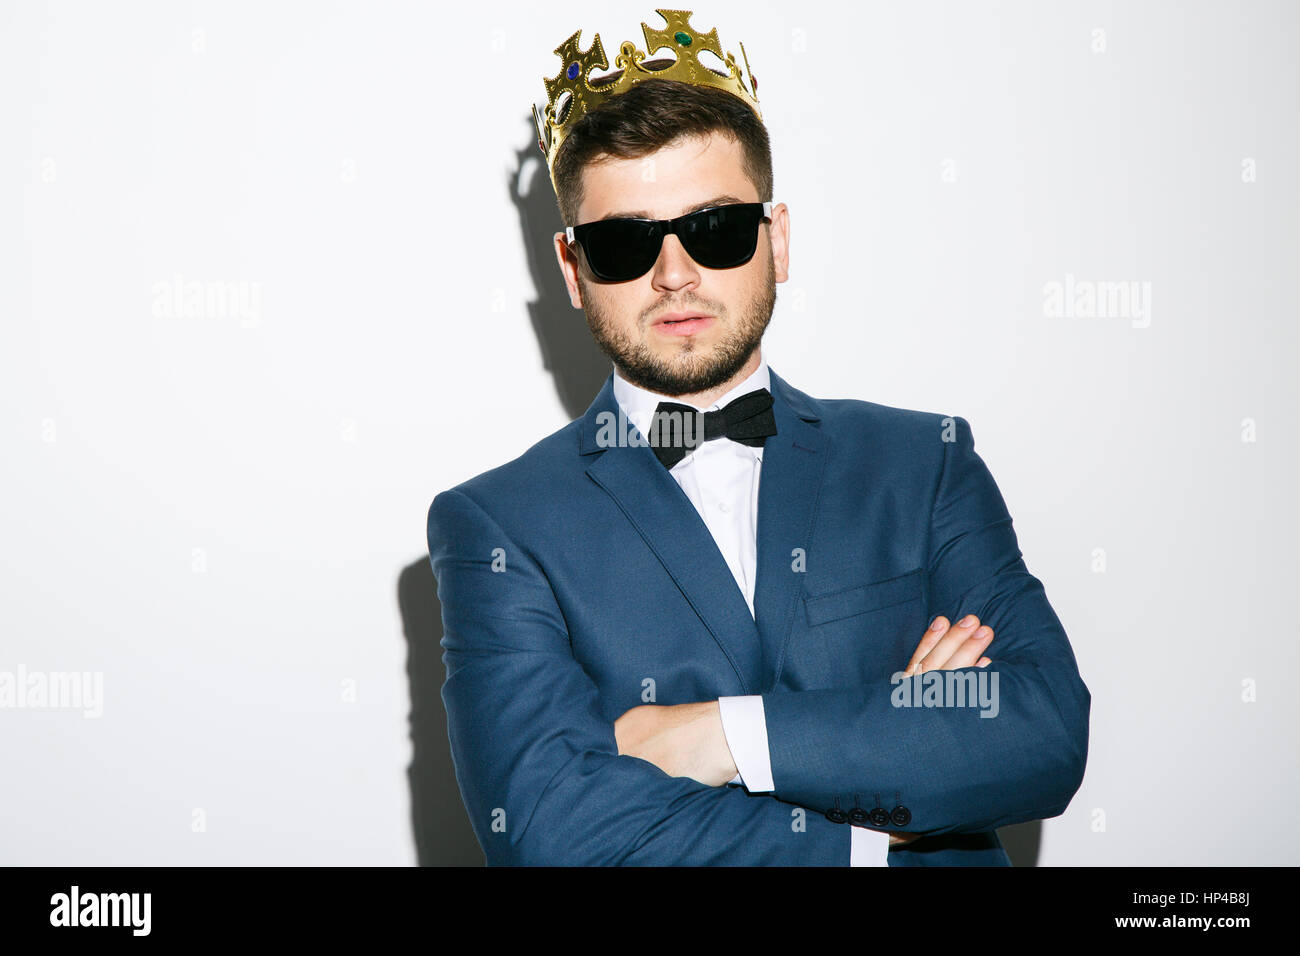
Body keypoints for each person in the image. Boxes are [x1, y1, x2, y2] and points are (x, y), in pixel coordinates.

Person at [426, 11, 1089, 865]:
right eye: (623, 243)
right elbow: (555, 837)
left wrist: (720, 736)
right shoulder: (497, 527)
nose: (675, 273)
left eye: (715, 229)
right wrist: (889, 795)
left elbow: (1042, 732)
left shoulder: (924, 465)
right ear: (572, 269)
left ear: (776, 241)